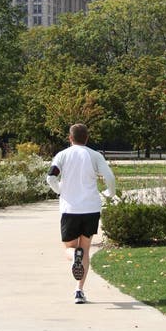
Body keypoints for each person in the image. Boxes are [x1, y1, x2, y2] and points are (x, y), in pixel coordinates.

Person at [46, 123, 116, 304]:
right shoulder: (95, 155)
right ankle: (79, 290)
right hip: (91, 209)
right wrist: (110, 193)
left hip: (70, 210)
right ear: (87, 138)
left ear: (70, 138)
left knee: (70, 250)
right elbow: (109, 176)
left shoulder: (62, 155)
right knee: (85, 250)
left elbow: (50, 176)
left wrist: (59, 189)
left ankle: (73, 258)